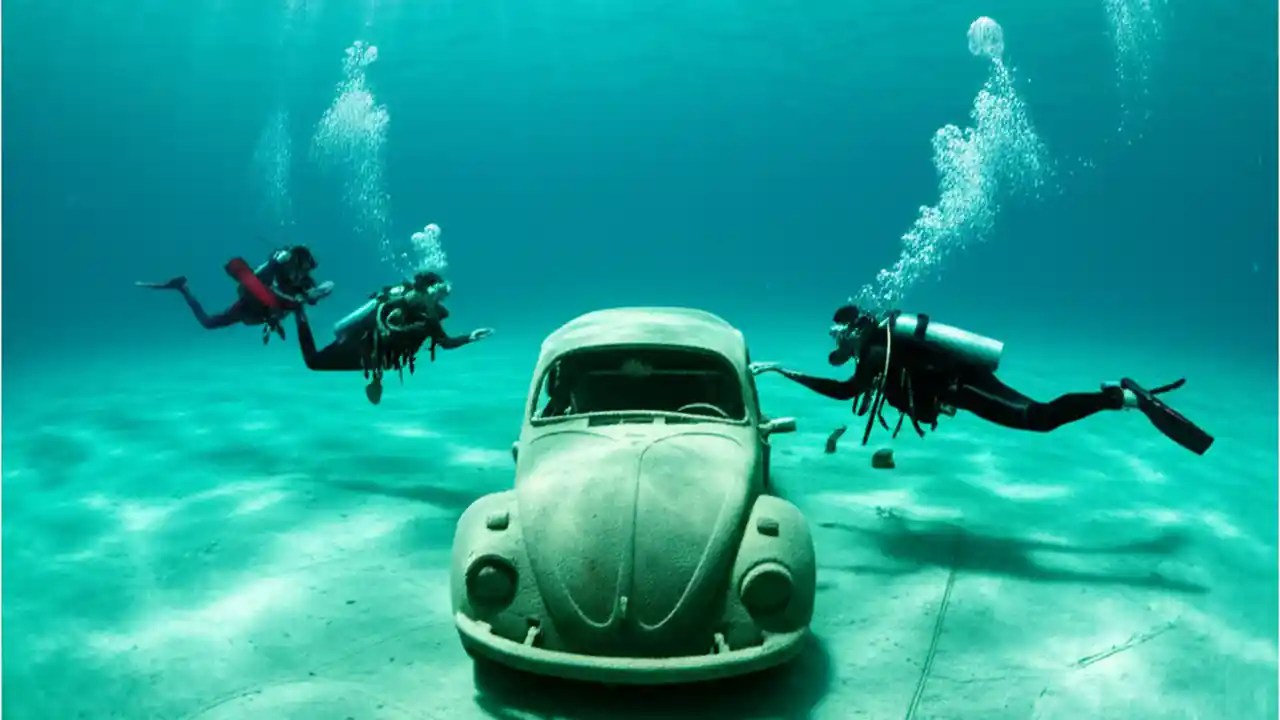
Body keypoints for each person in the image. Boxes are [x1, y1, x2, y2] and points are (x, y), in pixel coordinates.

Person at [751, 304, 1214, 455]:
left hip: (963, 387)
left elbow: (843, 391)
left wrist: (780, 370)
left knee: (1037, 418)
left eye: (838, 334)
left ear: (853, 329)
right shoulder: (878, 348)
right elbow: (850, 382)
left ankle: (1120, 397)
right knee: (1038, 417)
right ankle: (1120, 397)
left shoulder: (874, 351)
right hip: (961, 388)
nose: (839, 344)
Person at [294, 270, 494, 404]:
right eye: (432, 294)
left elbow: (446, 343)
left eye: (437, 297)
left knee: (316, 362)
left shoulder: (429, 318)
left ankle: (376, 378)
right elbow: (383, 319)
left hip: (381, 359)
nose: (433, 301)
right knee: (313, 362)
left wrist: (470, 337)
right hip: (361, 346)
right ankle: (299, 312)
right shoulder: (399, 302)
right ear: (421, 289)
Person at [136, 245, 334, 343]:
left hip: (262, 313)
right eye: (298, 268)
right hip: (249, 306)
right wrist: (275, 263)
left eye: (305, 270)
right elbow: (254, 280)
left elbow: (328, 285)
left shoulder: (305, 283)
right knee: (208, 322)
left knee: (209, 323)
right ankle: (183, 288)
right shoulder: (274, 271)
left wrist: (313, 294)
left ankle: (182, 287)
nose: (300, 274)